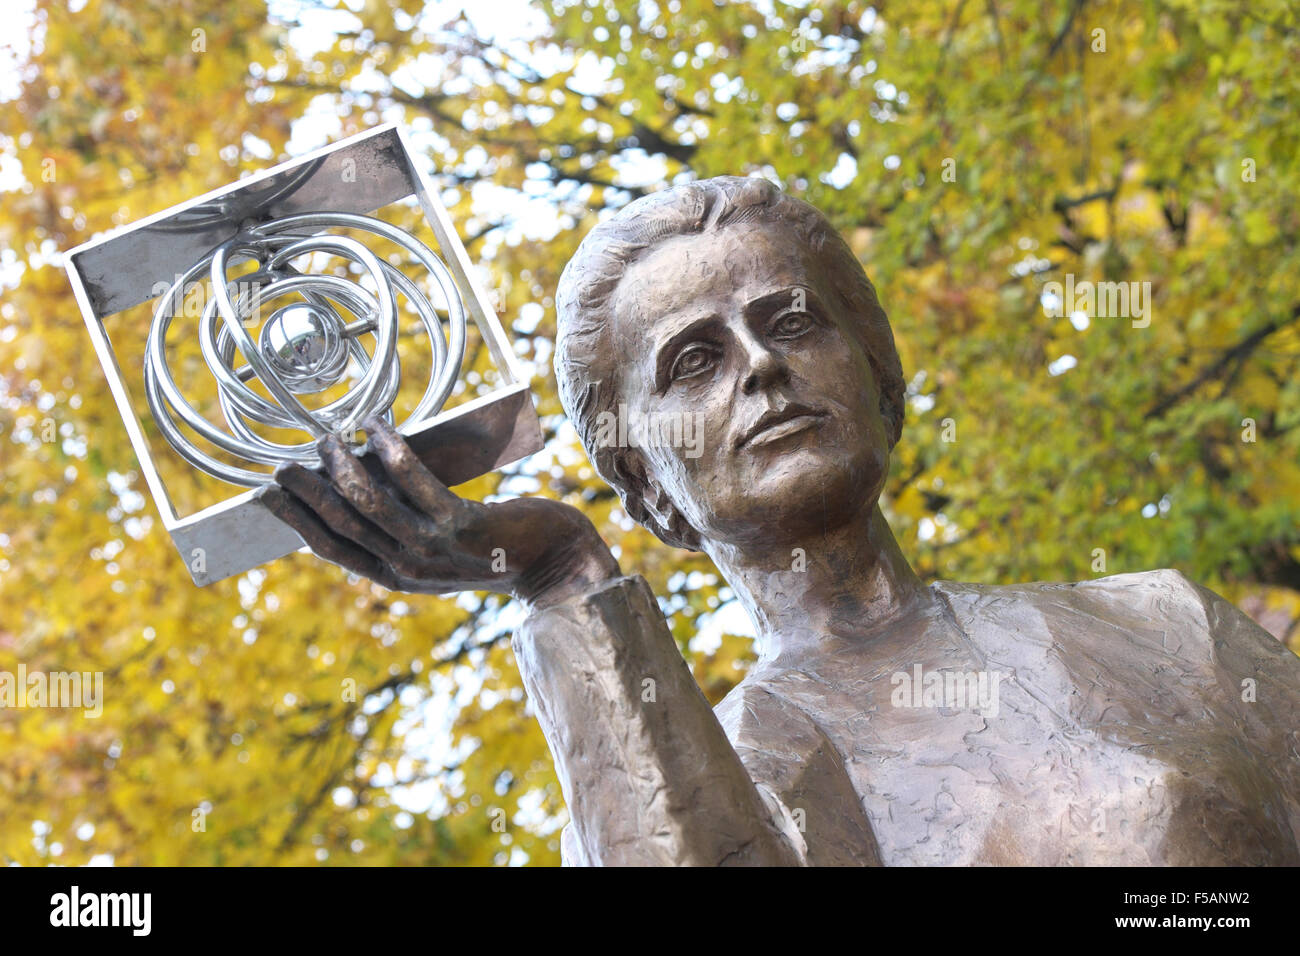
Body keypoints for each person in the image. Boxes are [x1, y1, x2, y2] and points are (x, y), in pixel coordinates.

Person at [258, 176, 1300, 866]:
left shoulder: (1162, 622)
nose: (760, 364)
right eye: (692, 361)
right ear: (650, 486)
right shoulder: (726, 772)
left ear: (880, 379)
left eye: (791, 319)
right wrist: (566, 580)